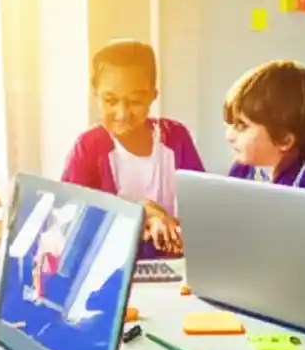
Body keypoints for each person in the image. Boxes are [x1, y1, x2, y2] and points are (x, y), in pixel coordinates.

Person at [61, 39, 205, 258]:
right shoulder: (89, 147)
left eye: (136, 101)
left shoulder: (176, 138)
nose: (122, 113)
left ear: (153, 96)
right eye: (110, 101)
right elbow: (73, 220)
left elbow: (201, 209)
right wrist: (143, 211)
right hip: (111, 268)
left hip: (174, 271)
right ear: (95, 93)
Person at [224, 59, 305, 244]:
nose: (229, 135)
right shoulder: (241, 169)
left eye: (241, 126)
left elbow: (303, 240)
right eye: (231, 124)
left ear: (285, 139)